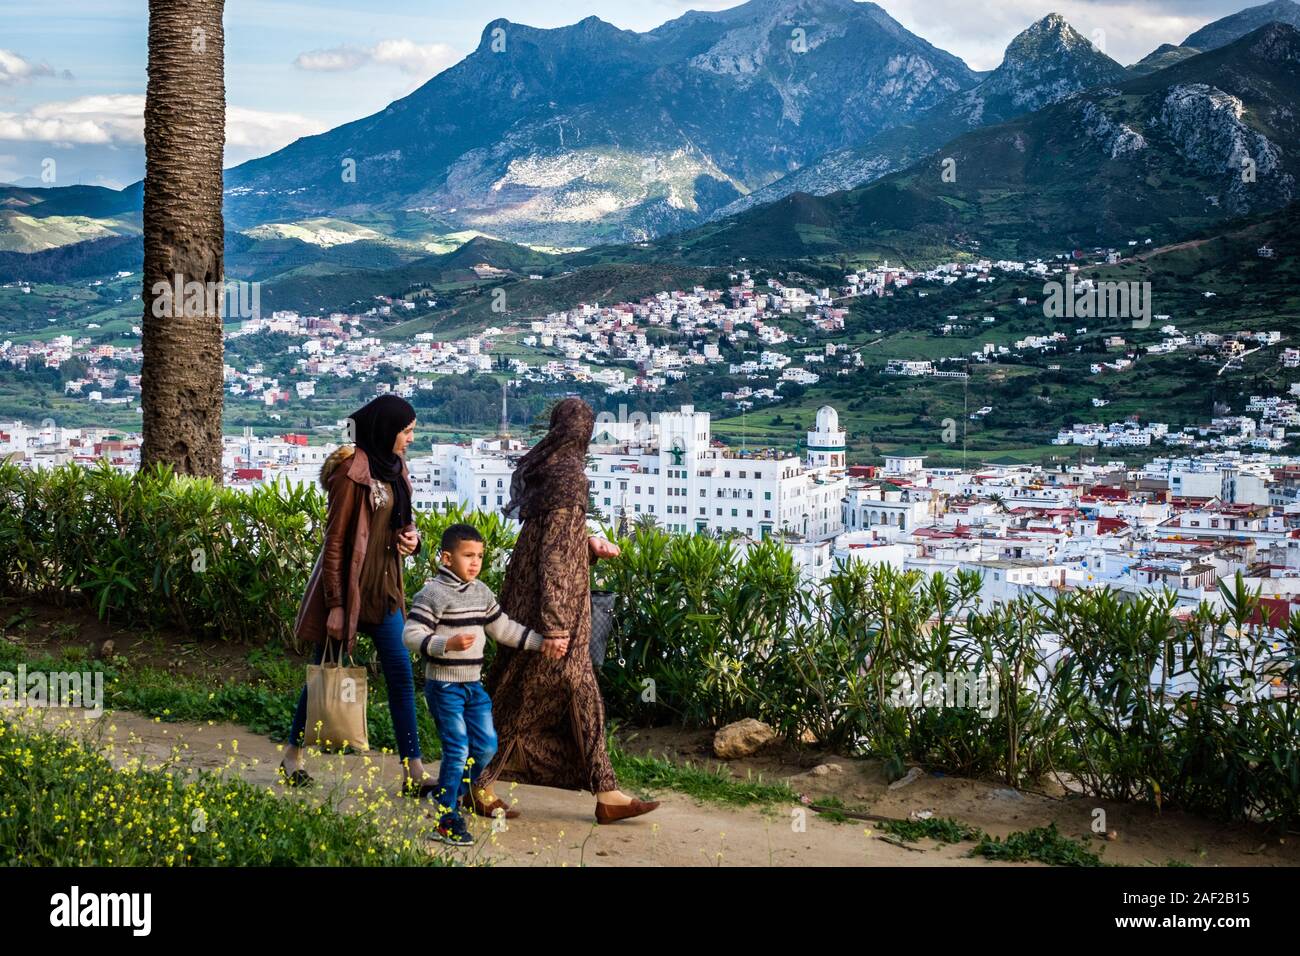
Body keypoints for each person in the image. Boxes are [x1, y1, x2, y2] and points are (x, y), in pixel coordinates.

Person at [475, 397, 659, 824]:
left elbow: (551, 543)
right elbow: (556, 558)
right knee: (520, 698)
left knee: (568, 694)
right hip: (553, 616)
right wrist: (557, 627)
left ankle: (606, 791)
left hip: (531, 604)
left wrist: (588, 546)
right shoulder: (569, 474)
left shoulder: (547, 468)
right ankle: (476, 780)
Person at [283, 394, 432, 795]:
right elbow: (334, 543)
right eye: (406, 431)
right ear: (386, 430)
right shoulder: (351, 473)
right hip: (350, 593)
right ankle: (292, 754)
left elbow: (404, 522)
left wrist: (413, 541)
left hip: (384, 592)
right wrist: (333, 604)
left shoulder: (397, 468)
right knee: (324, 674)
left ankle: (413, 770)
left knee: (400, 675)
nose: (411, 439)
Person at [402, 523, 569, 845]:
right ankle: (446, 818)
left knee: (487, 746)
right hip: (444, 687)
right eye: (468, 556)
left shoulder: (480, 591)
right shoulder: (432, 593)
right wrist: (444, 645)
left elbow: (502, 628)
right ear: (447, 558)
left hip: (473, 687)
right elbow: (410, 634)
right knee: (457, 748)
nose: (475, 562)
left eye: (479, 556)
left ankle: (453, 793)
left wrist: (541, 643)